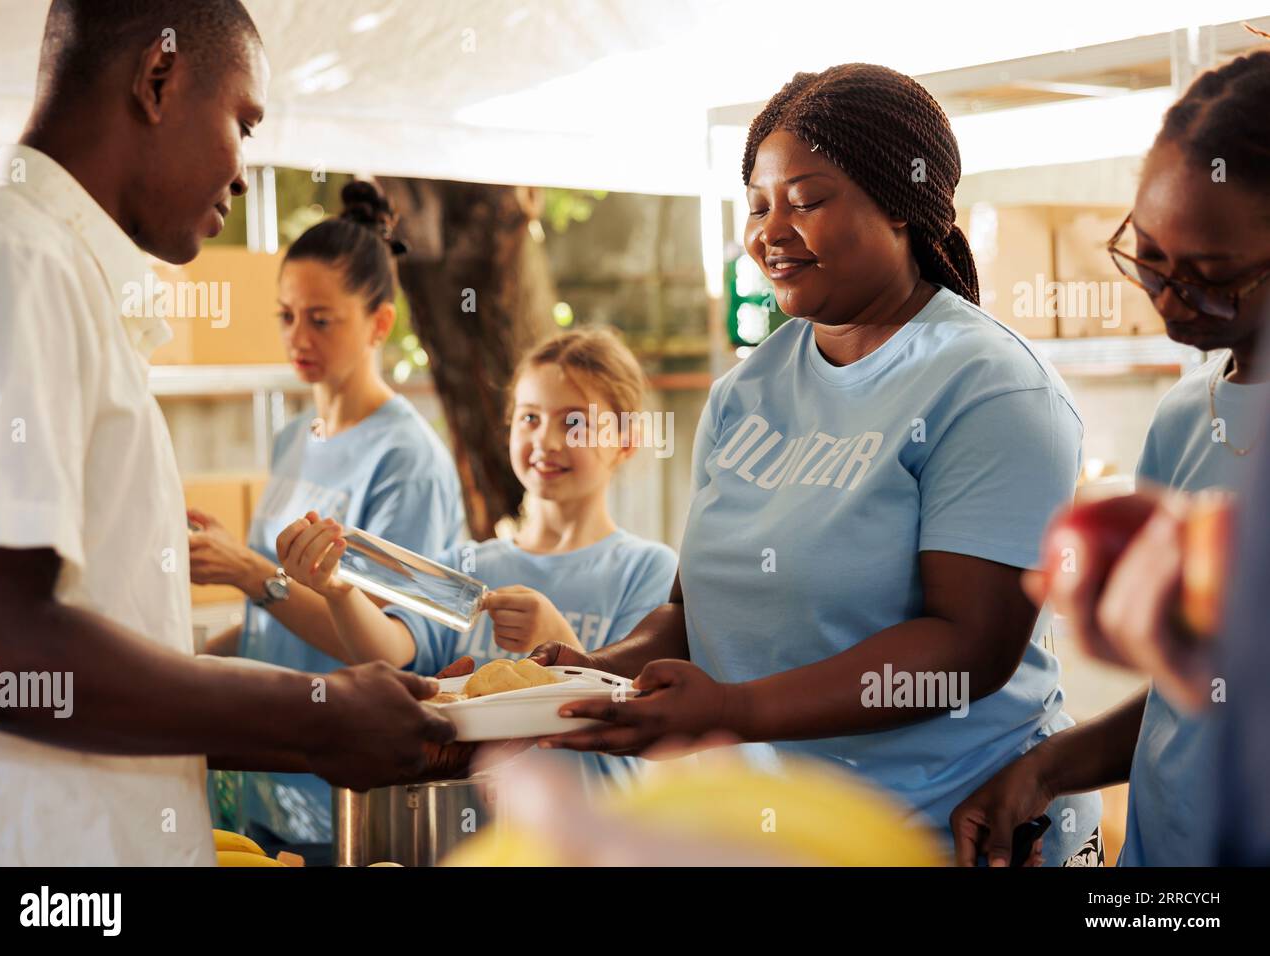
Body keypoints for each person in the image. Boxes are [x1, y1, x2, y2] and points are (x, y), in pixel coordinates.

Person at [529, 64, 1100, 864]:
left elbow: (968, 647)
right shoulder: (745, 394)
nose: (771, 231)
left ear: (900, 200)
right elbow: (693, 621)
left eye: (806, 200)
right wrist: (594, 678)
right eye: (758, 205)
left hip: (956, 830)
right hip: (783, 835)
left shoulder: (989, 385)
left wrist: (735, 708)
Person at [0, 0, 454, 866]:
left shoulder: (62, 276)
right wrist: (311, 717)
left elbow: (98, 656)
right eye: (243, 123)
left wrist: (321, 713)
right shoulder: (20, 260)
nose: (241, 175)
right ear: (158, 80)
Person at [958, 46, 1270, 866]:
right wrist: (1043, 773)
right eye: (1151, 257)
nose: (1169, 300)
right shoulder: (1182, 417)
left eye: (1212, 277)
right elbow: (1192, 695)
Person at [187, 180, 465, 857]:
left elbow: (400, 655)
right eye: (286, 315)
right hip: (268, 777)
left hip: (348, 795)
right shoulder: (294, 438)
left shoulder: (410, 459)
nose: (297, 337)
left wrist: (255, 575)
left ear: (378, 322)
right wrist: (178, 660)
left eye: (321, 318)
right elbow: (274, 630)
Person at [278, 328, 679, 792]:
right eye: (530, 418)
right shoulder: (468, 565)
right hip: (473, 837)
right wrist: (339, 590)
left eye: (574, 423)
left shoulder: (648, 570)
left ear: (626, 441)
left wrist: (558, 642)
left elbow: (634, 712)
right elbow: (390, 649)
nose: (546, 441)